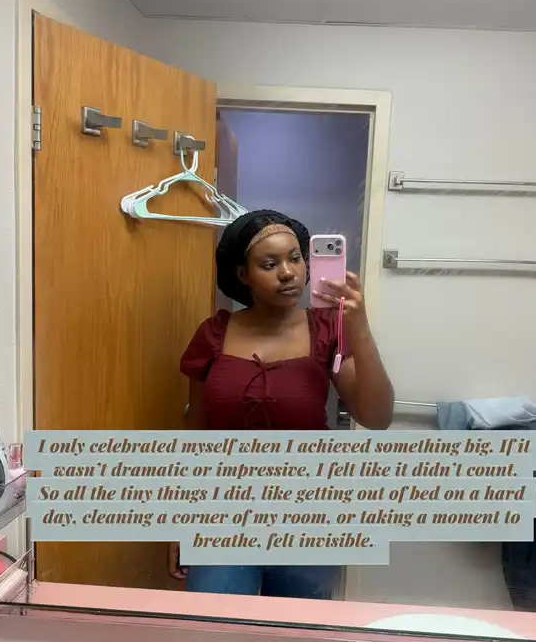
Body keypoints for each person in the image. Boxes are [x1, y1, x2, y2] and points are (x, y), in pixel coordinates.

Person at [168, 209, 394, 598]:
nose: (288, 273)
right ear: (243, 275)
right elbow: (196, 435)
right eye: (270, 264)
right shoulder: (214, 335)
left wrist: (359, 328)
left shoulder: (326, 331)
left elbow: (377, 416)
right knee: (213, 625)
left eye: (295, 258)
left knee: (297, 631)